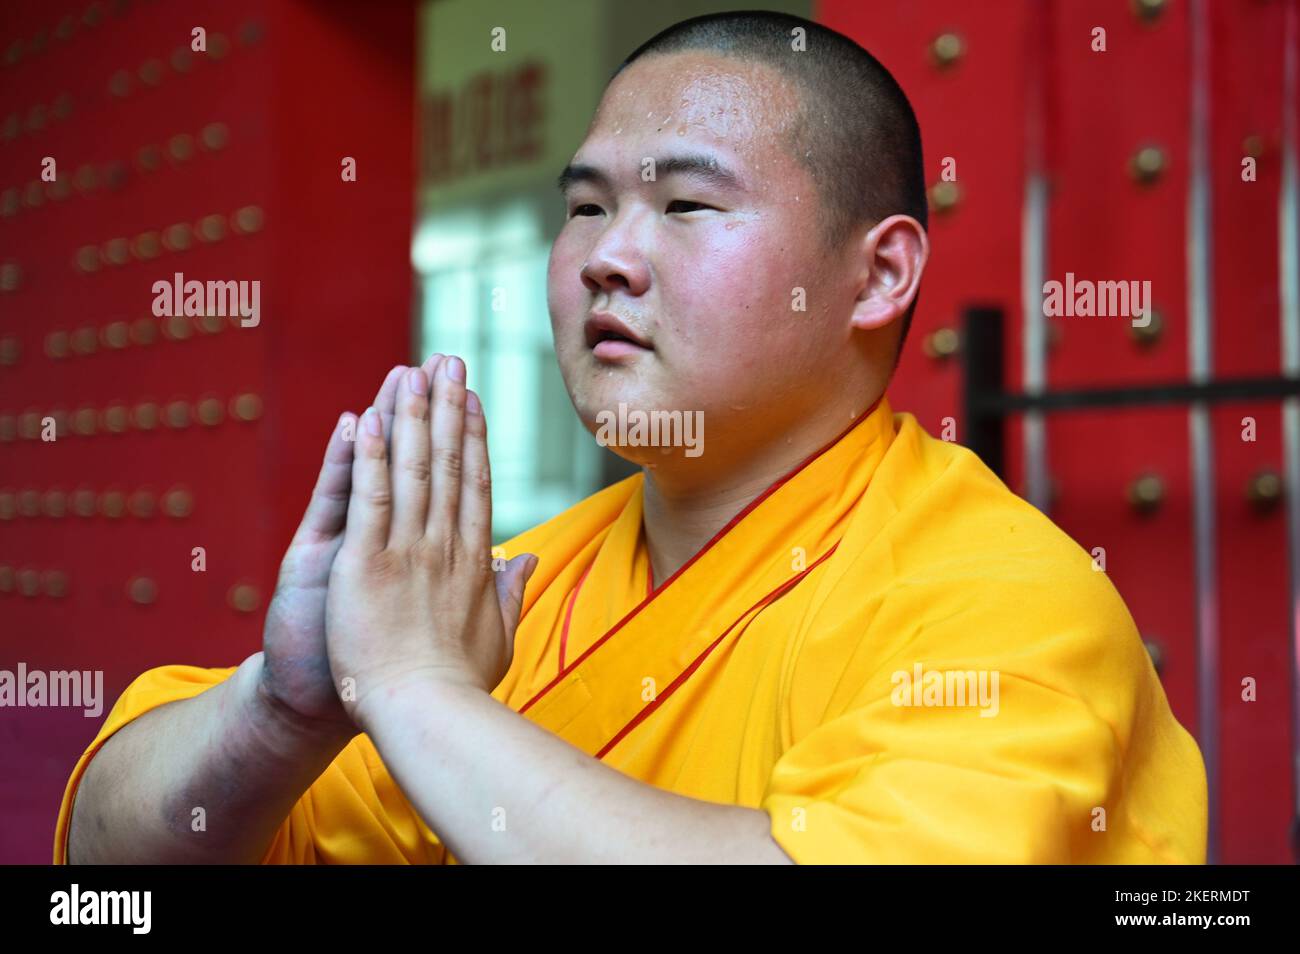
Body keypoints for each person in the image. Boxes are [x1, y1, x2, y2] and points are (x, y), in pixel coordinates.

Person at [55, 11, 1206, 865]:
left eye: (687, 205)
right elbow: (106, 867)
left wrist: (412, 689)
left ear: (878, 275)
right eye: (586, 208)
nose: (607, 256)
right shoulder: (519, 593)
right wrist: (283, 711)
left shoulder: (1001, 602)